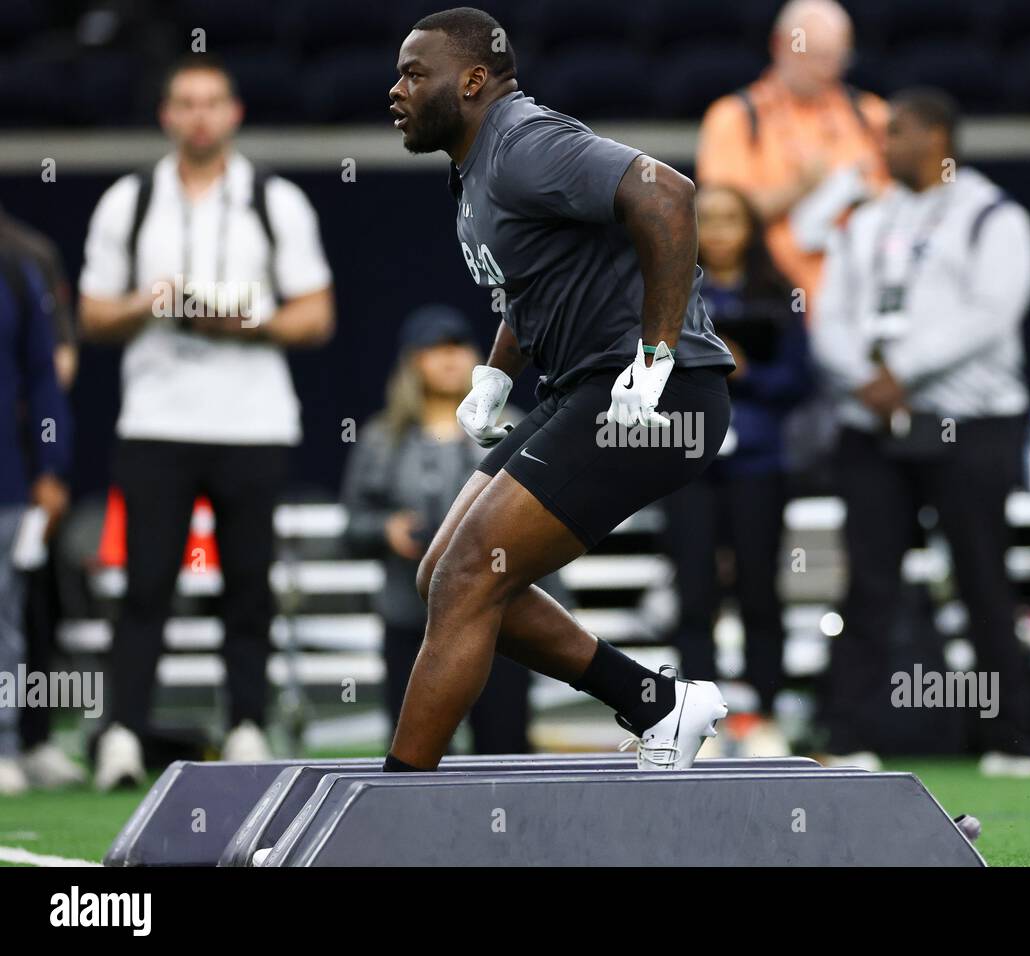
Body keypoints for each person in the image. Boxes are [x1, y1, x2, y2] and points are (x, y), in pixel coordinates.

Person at [385, 8, 735, 772]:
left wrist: (657, 354)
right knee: (441, 574)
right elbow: (540, 280)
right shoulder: (475, 163)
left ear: (473, 80)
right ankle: (658, 704)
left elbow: (669, 195)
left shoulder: (524, 142)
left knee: (469, 574)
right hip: (582, 387)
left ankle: (398, 795)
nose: (396, 90)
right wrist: (498, 372)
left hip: (654, 398)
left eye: (415, 73)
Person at [79, 54, 335, 789]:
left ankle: (247, 725)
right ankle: (124, 733)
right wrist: (152, 302)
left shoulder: (273, 199)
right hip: (156, 420)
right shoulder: (130, 202)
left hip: (252, 421)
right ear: (166, 115)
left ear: (233, 113)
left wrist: (247, 323)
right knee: (146, 584)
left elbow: (317, 315)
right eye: (185, 103)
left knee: (247, 584)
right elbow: (93, 314)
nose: (198, 115)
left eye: (211, 102)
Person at [812, 88, 1030, 776]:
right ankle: (852, 736)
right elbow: (828, 314)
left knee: (982, 577)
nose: (883, 145)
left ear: (939, 137)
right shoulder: (863, 219)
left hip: (969, 423)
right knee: (868, 580)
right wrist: (866, 378)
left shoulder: (993, 214)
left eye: (898, 132)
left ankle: (1011, 738)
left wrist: (905, 373)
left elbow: (992, 313)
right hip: (873, 421)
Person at [342, 305, 569, 753]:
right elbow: (351, 526)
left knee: (504, 746)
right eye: (434, 350)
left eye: (458, 348)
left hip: (501, 614)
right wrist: (386, 530)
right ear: (412, 363)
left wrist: (556, 610)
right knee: (416, 748)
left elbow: (549, 519)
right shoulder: (381, 438)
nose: (449, 360)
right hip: (412, 615)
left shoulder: (515, 426)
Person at [662, 184, 811, 756]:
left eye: (733, 218)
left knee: (759, 585)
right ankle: (694, 711)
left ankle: (765, 710)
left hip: (758, 461)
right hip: (688, 459)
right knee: (694, 587)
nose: (721, 231)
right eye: (710, 219)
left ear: (751, 229)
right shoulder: (668, 290)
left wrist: (744, 372)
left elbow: (800, 381)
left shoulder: (779, 296)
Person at [696, 0, 888, 307]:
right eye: (815, 57)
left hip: (860, 296)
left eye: (837, 58)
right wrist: (799, 189)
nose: (826, 70)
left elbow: (907, 204)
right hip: (769, 299)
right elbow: (718, 218)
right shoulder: (734, 117)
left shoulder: (871, 114)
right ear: (780, 45)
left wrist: (872, 195)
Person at [0, 205, 86, 788]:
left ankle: (6, 745)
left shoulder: (20, 260)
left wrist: (50, 469)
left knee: (5, 620)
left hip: (7, 481)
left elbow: (44, 373)